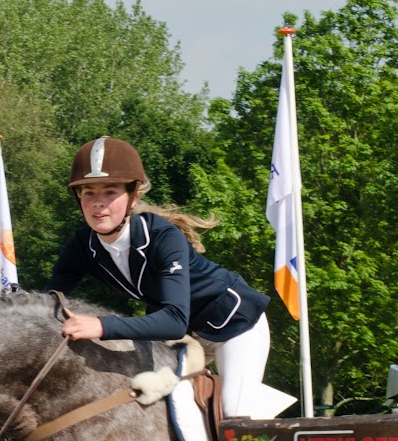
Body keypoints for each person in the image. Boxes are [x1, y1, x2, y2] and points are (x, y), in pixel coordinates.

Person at [47, 135, 276, 417]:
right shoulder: (82, 245)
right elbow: (51, 301)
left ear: (133, 197)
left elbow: (174, 321)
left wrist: (101, 325)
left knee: (235, 410)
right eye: (88, 193)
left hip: (233, 324)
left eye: (110, 192)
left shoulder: (164, 237)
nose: (98, 203)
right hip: (184, 340)